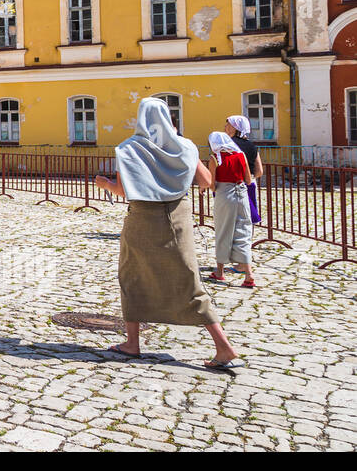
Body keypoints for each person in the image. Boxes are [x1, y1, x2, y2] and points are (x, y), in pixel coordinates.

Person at [92, 97, 241, 370]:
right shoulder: (185, 146)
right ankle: (223, 345)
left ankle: (132, 343)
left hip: (142, 218)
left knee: (132, 276)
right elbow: (206, 181)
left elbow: (124, 191)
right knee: (188, 279)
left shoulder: (128, 149)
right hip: (178, 216)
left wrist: (104, 184)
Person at [208, 131, 255, 287]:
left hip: (224, 194)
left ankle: (220, 272)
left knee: (223, 231)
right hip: (241, 193)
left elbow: (212, 184)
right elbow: (249, 179)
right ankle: (248, 274)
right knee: (243, 232)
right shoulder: (240, 155)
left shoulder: (215, 158)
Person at [226, 114, 263, 226]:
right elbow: (259, 170)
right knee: (248, 217)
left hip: (229, 184)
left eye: (228, 124)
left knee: (230, 219)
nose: (225, 127)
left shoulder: (227, 145)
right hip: (249, 182)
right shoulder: (252, 146)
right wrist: (250, 177)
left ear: (235, 127)